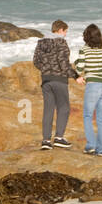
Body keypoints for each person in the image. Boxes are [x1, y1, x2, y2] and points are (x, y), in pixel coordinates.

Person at [32, 19, 81, 149]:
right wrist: (76, 76)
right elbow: (63, 63)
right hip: (59, 80)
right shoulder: (61, 42)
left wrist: (46, 70)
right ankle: (59, 137)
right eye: (65, 31)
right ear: (60, 30)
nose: (65, 34)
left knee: (48, 110)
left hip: (46, 80)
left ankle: (46, 141)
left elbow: (36, 61)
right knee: (63, 108)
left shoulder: (41, 43)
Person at [74, 23, 102, 156]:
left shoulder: (84, 50)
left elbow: (79, 69)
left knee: (87, 116)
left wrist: (76, 65)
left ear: (86, 37)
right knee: (101, 119)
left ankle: (91, 145)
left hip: (92, 85)